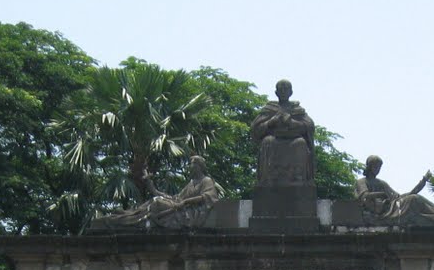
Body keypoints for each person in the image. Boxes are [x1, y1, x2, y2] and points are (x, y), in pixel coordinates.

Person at [92, 155, 221, 228]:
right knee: (155, 200)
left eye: (192, 164)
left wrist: (186, 202)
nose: (190, 166)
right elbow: (175, 197)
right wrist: (151, 185)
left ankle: (126, 217)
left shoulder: (206, 180)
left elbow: (208, 197)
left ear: (199, 166)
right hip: (177, 205)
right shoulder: (191, 183)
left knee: (156, 203)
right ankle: (128, 215)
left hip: (188, 212)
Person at [353, 155, 434, 225]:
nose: (377, 170)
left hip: (392, 206)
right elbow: (364, 196)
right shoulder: (362, 181)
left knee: (414, 197)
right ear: (369, 167)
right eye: (375, 167)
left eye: (379, 167)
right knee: (413, 199)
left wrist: (423, 181)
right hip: (384, 211)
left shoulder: (381, 183)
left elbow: (398, 196)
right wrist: (381, 195)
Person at [250, 79, 315, 186]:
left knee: (301, 143)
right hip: (274, 139)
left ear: (291, 92)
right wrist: (271, 122)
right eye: (281, 89)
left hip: (293, 140)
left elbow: (309, 126)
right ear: (276, 92)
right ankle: (269, 179)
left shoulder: (297, 110)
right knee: (267, 141)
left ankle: (297, 179)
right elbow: (256, 129)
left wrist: (292, 122)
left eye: (286, 89)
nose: (284, 92)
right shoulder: (269, 109)